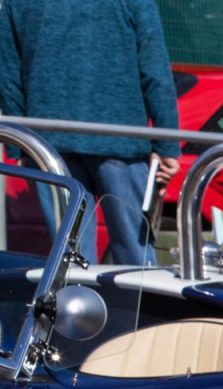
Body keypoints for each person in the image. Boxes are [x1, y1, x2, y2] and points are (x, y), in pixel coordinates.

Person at [0, 0, 180, 266]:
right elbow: (155, 73)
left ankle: (78, 304)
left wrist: (21, 147)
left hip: (50, 145)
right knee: (135, 254)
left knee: (72, 256)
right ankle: (138, 308)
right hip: (122, 142)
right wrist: (167, 147)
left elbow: (8, 77)